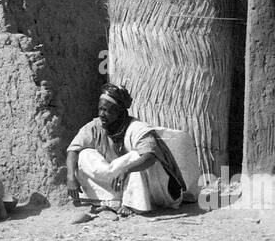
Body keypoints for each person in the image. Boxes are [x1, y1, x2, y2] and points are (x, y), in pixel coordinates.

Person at [65, 84, 185, 218]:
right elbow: (73, 150)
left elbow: (150, 158)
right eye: (100, 109)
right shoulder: (96, 126)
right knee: (84, 154)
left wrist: (127, 169)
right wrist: (71, 177)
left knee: (136, 157)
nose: (101, 114)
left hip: (157, 189)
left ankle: (135, 205)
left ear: (119, 111)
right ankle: (111, 201)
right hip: (122, 181)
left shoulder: (137, 128)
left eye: (106, 110)